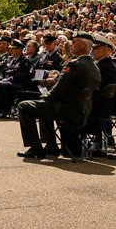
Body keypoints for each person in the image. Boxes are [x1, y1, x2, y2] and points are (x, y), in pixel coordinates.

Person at [16, 32, 102, 160]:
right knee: (42, 107)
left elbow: (58, 91)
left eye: (74, 42)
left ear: (83, 44)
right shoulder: (94, 66)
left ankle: (35, 148)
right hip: (81, 110)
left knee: (24, 106)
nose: (71, 44)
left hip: (66, 109)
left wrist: (44, 97)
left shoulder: (74, 64)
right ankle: (51, 146)